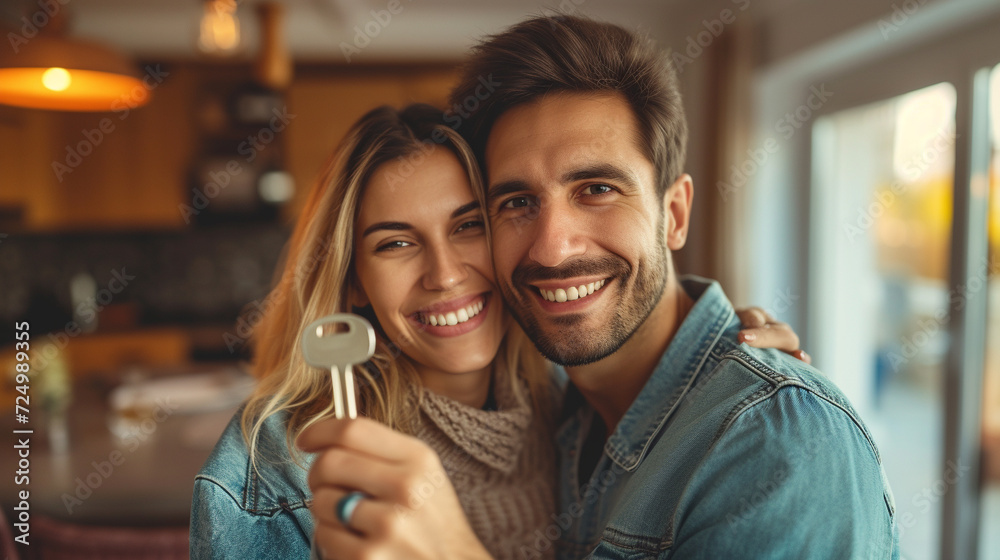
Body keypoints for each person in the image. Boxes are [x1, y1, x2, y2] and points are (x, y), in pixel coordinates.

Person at [302, 14, 899, 560]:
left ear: (675, 213)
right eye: (515, 203)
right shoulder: (557, 408)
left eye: (596, 189)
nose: (552, 247)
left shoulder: (775, 441)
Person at [189, 103, 804, 559]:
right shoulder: (281, 466)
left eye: (468, 226)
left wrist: (741, 370)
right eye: (397, 243)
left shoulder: (573, 401)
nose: (445, 274)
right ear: (354, 282)